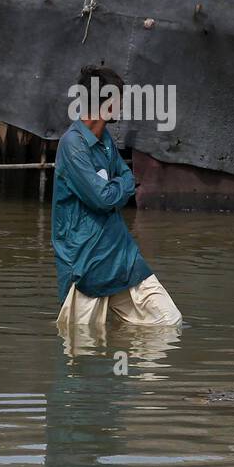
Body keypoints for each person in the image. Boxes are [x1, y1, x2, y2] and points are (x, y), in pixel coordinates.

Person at [53, 65, 181, 332]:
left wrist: (118, 185)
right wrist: (119, 186)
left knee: (169, 322)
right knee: (80, 345)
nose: (121, 106)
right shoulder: (72, 145)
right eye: (119, 99)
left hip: (120, 256)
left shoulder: (105, 140)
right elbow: (103, 198)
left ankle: (127, 366)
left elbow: (126, 177)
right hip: (85, 261)